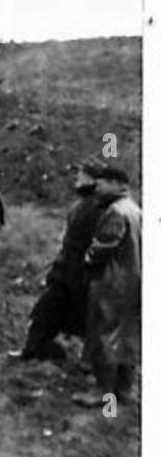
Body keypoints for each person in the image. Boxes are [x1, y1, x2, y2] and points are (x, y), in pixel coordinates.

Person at [9, 162, 112, 362]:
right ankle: (31, 352)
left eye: (82, 177)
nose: (77, 181)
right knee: (45, 311)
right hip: (66, 273)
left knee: (89, 321)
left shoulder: (101, 209)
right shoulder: (82, 206)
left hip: (84, 276)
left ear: (93, 181)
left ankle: (94, 366)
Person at [81, 165, 142, 397]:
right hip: (134, 279)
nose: (97, 186)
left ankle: (102, 391)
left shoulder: (116, 212)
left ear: (118, 184)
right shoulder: (134, 209)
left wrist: (88, 259)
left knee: (104, 334)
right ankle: (124, 389)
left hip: (113, 281)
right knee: (128, 334)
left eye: (103, 182)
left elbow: (102, 247)